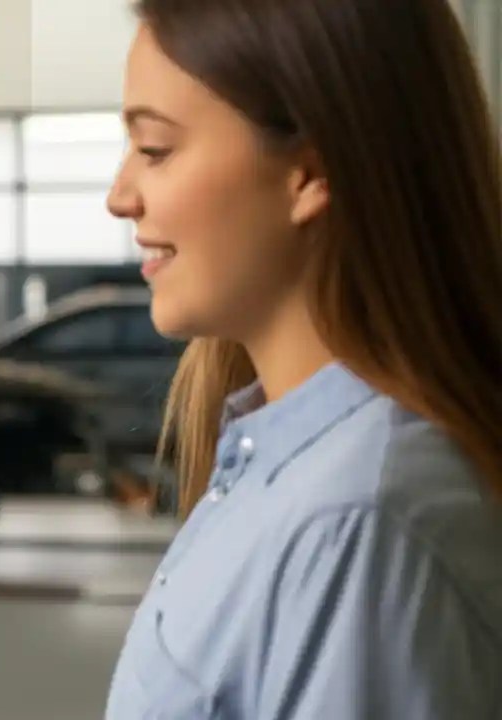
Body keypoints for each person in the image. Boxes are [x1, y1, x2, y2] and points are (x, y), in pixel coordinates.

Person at [102, 0, 502, 717]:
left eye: (155, 149)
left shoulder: (361, 523)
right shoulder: (283, 465)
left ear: (310, 173)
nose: (119, 196)